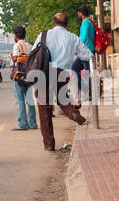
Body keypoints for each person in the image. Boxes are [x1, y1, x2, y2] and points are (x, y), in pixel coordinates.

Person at [34, 12, 92, 151]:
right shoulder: (73, 37)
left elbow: (34, 52)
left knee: (44, 107)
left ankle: (49, 144)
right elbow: (87, 55)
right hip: (62, 72)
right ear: (67, 24)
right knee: (63, 99)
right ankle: (73, 112)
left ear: (53, 23)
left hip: (44, 72)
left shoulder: (44, 35)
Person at [10, 25, 38, 131]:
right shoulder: (30, 46)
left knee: (20, 99)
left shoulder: (17, 45)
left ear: (16, 36)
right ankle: (33, 123)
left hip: (20, 75)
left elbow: (16, 58)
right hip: (30, 74)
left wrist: (13, 58)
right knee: (30, 99)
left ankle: (23, 123)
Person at [75, 5, 96, 103]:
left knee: (75, 69)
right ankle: (88, 91)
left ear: (81, 13)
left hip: (86, 51)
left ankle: (89, 91)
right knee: (85, 71)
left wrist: (78, 46)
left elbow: (84, 36)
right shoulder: (89, 22)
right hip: (88, 50)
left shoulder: (86, 22)